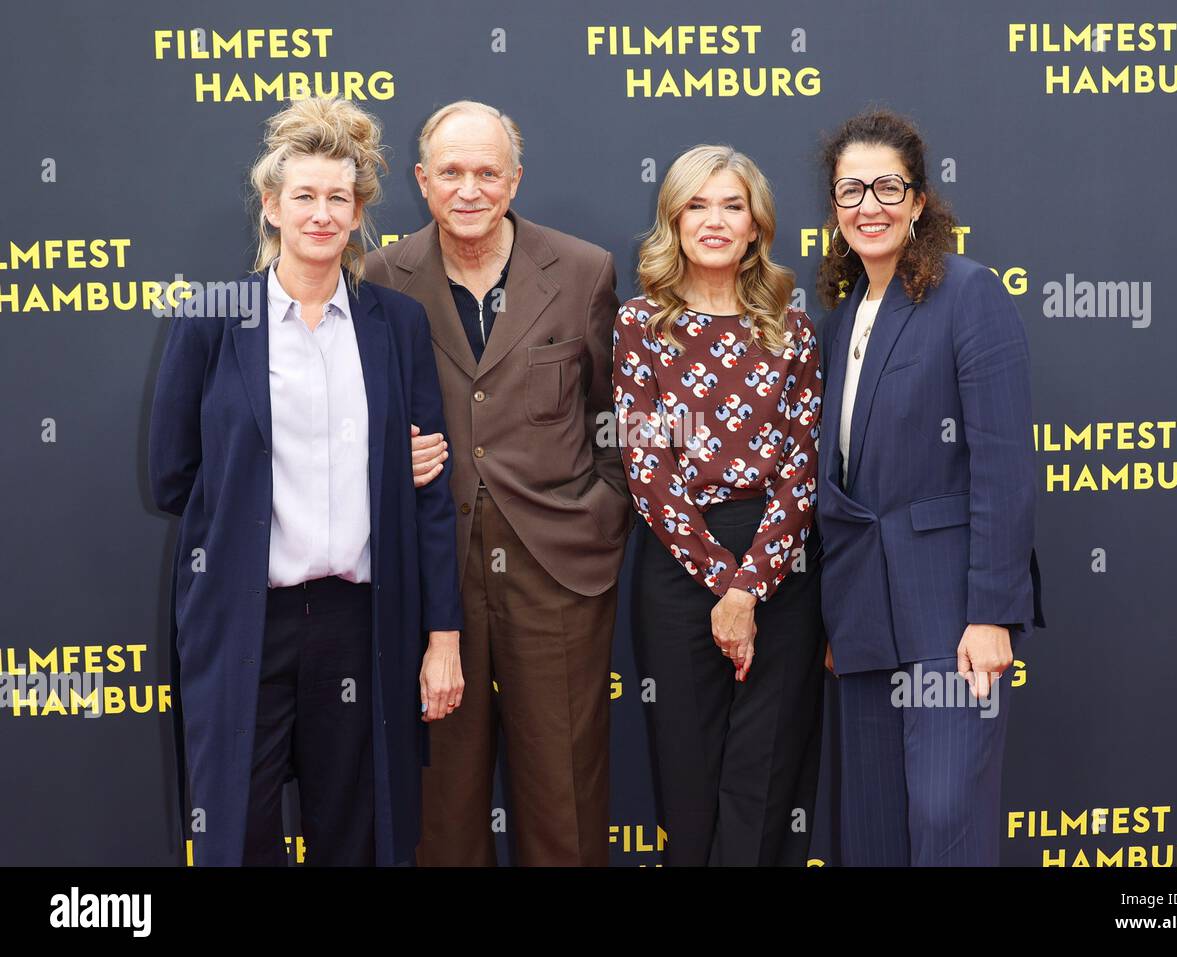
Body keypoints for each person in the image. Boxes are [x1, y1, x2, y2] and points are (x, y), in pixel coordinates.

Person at [149, 96, 462, 866]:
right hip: (245, 620)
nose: (322, 214)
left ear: (358, 213)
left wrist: (443, 633)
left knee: (353, 831)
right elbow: (172, 474)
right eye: (304, 196)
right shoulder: (211, 319)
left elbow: (427, 497)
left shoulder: (397, 325)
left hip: (360, 624)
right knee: (237, 831)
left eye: (339, 198)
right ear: (271, 205)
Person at [364, 101, 628, 866]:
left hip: (558, 574)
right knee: (440, 806)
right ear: (422, 180)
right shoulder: (381, 276)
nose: (469, 189)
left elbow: (612, 416)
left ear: (515, 179)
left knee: (565, 800)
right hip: (431, 577)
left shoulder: (582, 270)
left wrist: (600, 516)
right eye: (451, 172)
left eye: (487, 172)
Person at [814, 108, 1044, 866]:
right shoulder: (843, 318)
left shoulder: (968, 293)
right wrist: (838, 621)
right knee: (874, 832)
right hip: (863, 627)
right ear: (834, 205)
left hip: (951, 621)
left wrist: (992, 612)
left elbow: (1003, 465)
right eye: (851, 190)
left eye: (888, 187)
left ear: (919, 201)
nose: (868, 206)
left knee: (946, 821)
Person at [615, 145, 824, 865]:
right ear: (672, 219)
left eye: (731, 205)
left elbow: (802, 468)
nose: (714, 220)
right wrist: (721, 582)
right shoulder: (639, 324)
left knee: (764, 777)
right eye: (697, 204)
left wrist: (751, 584)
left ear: (756, 224)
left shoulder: (792, 328)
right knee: (688, 777)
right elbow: (647, 468)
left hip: (781, 566)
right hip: (679, 567)